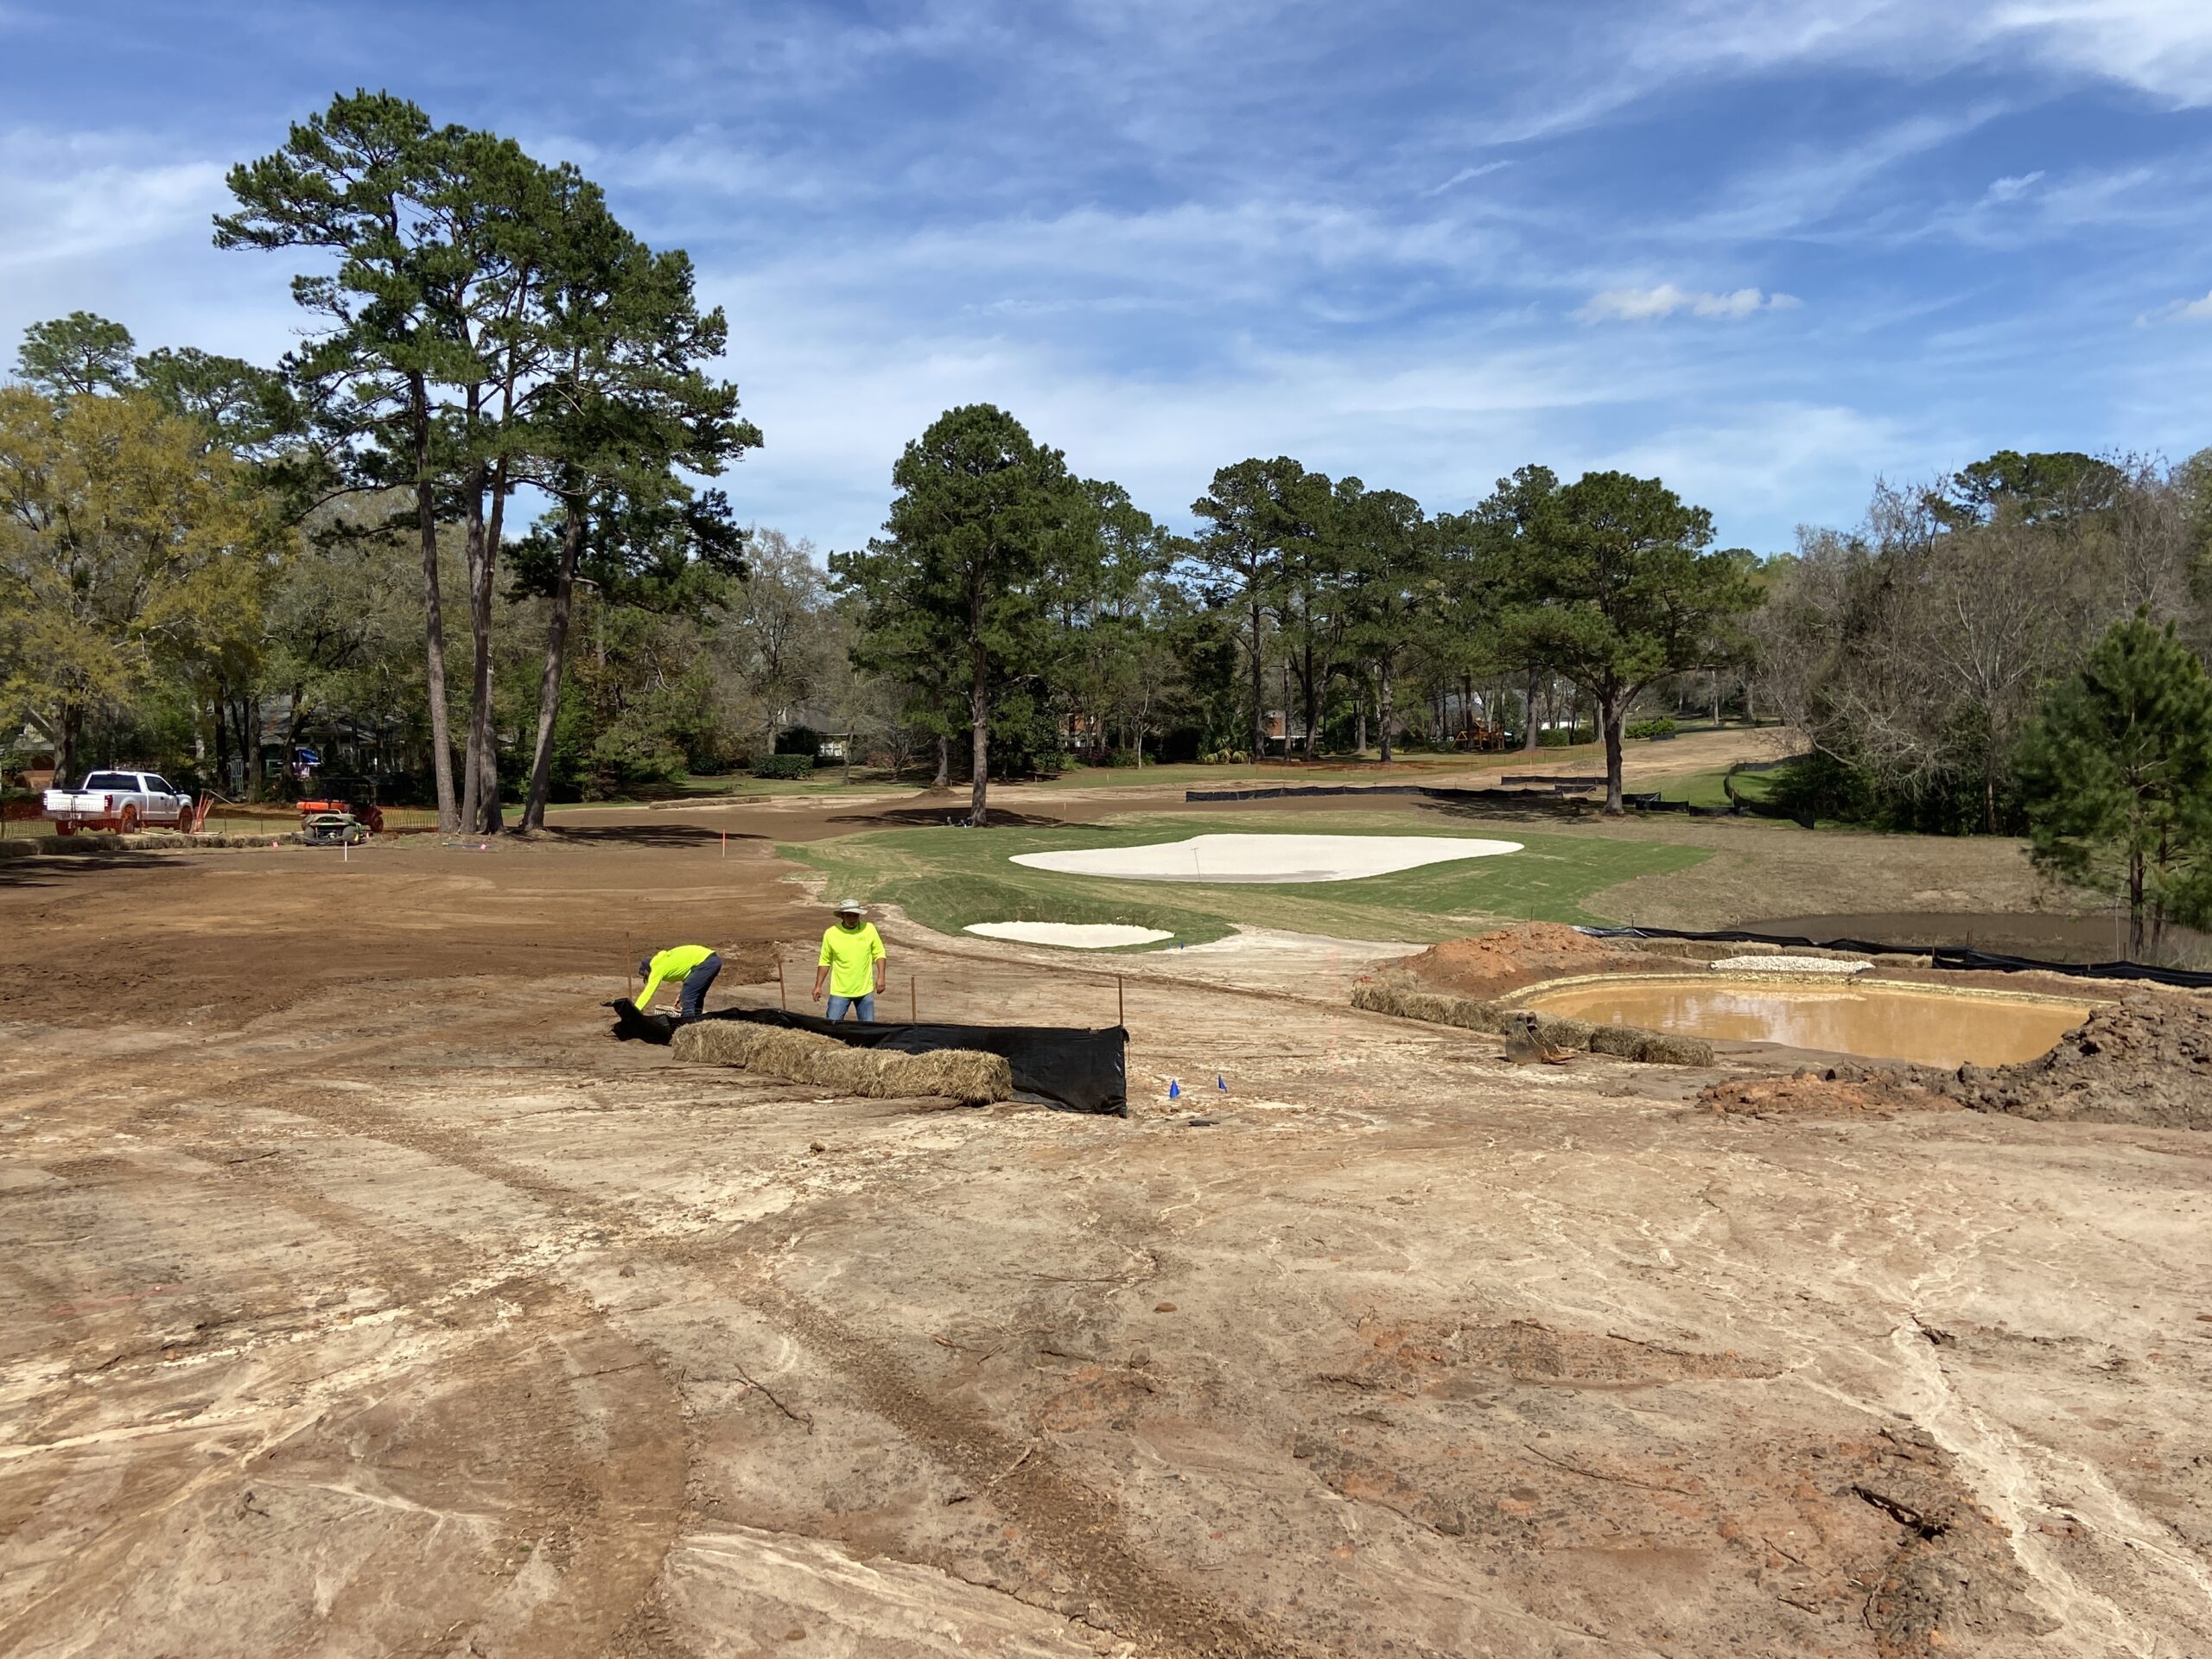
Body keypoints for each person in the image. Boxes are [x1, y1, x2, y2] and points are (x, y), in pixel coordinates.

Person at [812, 898, 886, 1022]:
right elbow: (825, 961)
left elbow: (879, 953)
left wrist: (881, 977)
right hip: (840, 991)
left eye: (855, 915)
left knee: (868, 1028)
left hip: (865, 990)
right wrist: (818, 986)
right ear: (841, 916)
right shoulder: (831, 934)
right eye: (849, 915)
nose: (852, 919)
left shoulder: (869, 929)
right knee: (832, 1026)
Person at [634, 944, 721, 1020]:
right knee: (696, 995)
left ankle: (688, 1028)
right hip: (712, 961)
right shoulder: (664, 961)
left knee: (688, 997)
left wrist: (634, 1010)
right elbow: (689, 974)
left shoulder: (656, 967)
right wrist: (681, 994)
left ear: (648, 972)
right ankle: (697, 1023)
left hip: (706, 962)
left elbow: (648, 992)